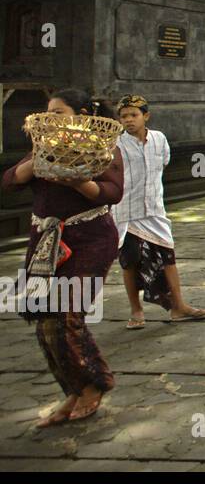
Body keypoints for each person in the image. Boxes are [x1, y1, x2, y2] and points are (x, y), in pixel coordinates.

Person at [3, 88, 123, 427]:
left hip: (90, 239)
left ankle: (95, 384)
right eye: (49, 113)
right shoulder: (40, 147)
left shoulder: (102, 148)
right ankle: (74, 388)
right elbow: (9, 181)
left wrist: (76, 180)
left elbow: (113, 192)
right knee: (45, 322)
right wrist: (33, 166)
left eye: (60, 113)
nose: (51, 119)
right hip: (46, 242)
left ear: (82, 115)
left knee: (68, 316)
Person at [113, 95, 205, 328]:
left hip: (155, 209)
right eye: (124, 116)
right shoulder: (115, 144)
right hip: (127, 211)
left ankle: (179, 306)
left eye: (133, 115)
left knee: (168, 257)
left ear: (145, 116)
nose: (128, 120)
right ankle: (136, 311)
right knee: (130, 262)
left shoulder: (159, 139)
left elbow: (163, 163)